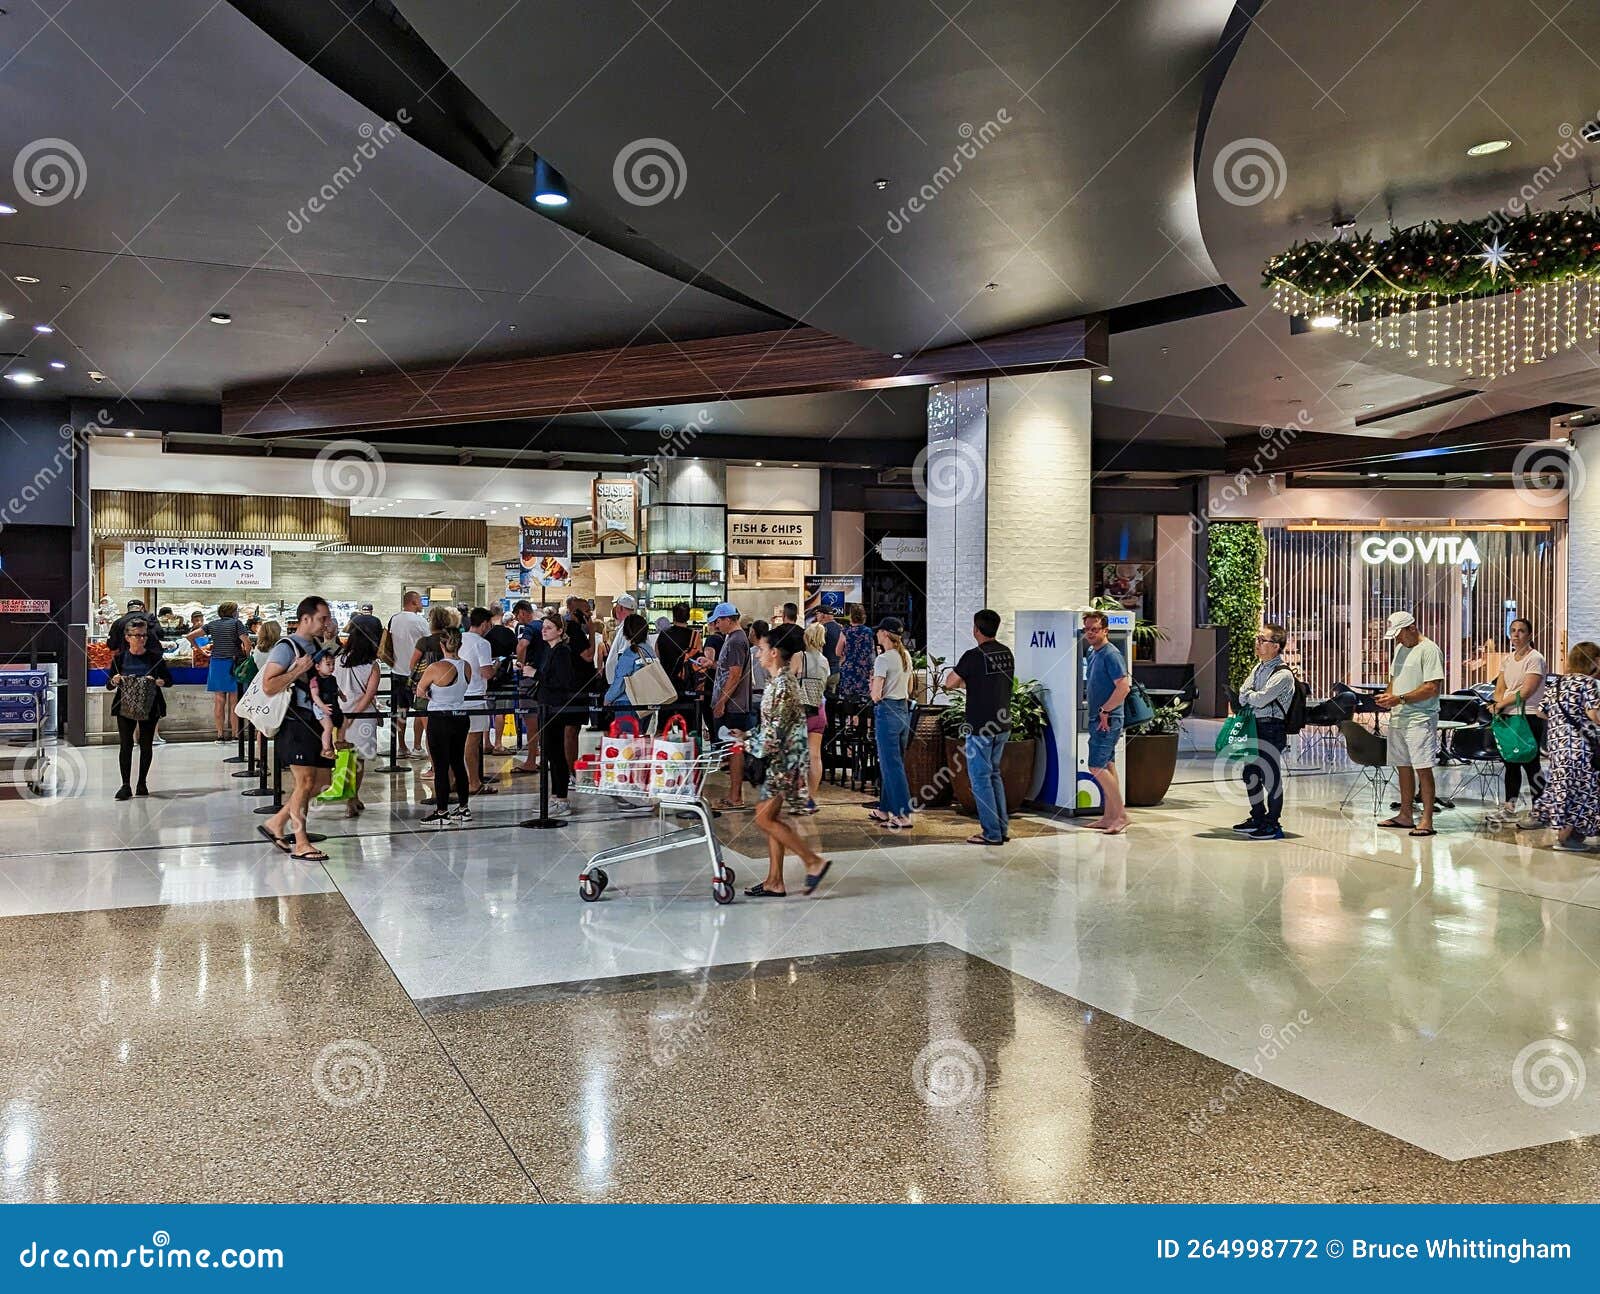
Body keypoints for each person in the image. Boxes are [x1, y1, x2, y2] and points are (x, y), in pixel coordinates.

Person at [744, 624, 831, 897]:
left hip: (783, 764)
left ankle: (813, 861)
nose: (758, 654)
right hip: (782, 761)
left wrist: (745, 741)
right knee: (771, 818)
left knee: (763, 818)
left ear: (774, 652)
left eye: (761, 649)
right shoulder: (778, 682)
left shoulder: (782, 685)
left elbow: (776, 733)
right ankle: (774, 880)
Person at [259, 596, 337, 862]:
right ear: (305, 619)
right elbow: (268, 686)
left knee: (323, 782)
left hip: (315, 722)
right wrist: (296, 671)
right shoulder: (286, 647)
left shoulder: (315, 644)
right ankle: (301, 841)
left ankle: (276, 823)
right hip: (295, 722)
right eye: (322, 618)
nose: (326, 623)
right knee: (304, 782)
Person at [943, 608, 1015, 845]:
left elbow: (950, 683)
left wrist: (968, 683)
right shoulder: (1007, 653)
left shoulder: (973, 655)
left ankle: (991, 833)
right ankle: (1001, 829)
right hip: (1002, 724)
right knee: (994, 775)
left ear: (976, 629)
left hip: (980, 726)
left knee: (980, 779)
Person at [1376, 610, 1446, 837]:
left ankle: (1426, 819)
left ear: (1412, 628)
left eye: (1399, 634)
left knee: (1422, 768)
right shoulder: (1399, 649)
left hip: (1420, 718)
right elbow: (1394, 680)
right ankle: (1405, 814)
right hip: (1399, 717)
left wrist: (1400, 698)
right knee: (1403, 766)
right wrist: (1388, 698)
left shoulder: (1429, 650)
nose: (1397, 639)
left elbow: (1432, 688)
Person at [1534, 641, 1600, 851]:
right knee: (1585, 790)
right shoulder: (1588, 683)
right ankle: (1566, 838)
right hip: (1580, 748)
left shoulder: (1558, 683)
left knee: (1564, 788)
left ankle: (1567, 834)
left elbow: (1540, 711)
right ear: (1595, 661)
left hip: (1557, 747)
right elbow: (1594, 716)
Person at [1235, 623, 1296, 841]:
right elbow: (1243, 692)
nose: (1257, 644)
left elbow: (1260, 699)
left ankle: (1273, 824)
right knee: (1250, 773)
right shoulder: (1259, 667)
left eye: (1263, 640)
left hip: (1271, 728)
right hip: (1255, 725)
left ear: (1277, 646)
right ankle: (1258, 817)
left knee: (1271, 777)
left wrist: (1251, 695)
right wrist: (1251, 695)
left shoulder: (1283, 674)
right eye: (1258, 639)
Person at [413, 626, 473, 825]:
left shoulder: (435, 668)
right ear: (460, 644)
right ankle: (464, 808)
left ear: (441, 645)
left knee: (440, 765)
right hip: (461, 717)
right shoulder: (466, 666)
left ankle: (441, 811)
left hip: (440, 718)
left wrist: (428, 692)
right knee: (458, 762)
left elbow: (420, 691)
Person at [107, 620, 171, 800]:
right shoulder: (119, 659)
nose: (141, 639)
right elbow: (109, 684)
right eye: (137, 635)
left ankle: (142, 782)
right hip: (124, 706)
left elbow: (169, 680)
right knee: (126, 744)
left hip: (150, 705)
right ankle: (125, 784)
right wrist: (115, 680)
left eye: (144, 635)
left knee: (146, 744)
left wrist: (159, 681)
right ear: (127, 637)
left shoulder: (155, 658)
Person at [1081, 609, 1131, 834]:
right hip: (1099, 717)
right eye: (1087, 629)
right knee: (1108, 765)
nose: (1090, 633)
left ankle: (1120, 815)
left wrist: (1105, 710)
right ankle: (1110, 815)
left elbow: (1123, 687)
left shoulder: (1111, 654)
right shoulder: (1093, 652)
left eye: (1095, 629)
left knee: (1096, 765)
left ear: (1105, 630)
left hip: (1107, 719)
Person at [1494, 617, 1547, 820]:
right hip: (1508, 716)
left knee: (1531, 764)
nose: (1516, 634)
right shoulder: (1507, 659)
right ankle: (1509, 807)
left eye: (1521, 631)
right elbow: (1500, 687)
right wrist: (1498, 704)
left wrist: (1501, 704)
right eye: (1513, 630)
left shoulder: (1535, 658)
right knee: (1511, 763)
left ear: (1530, 634)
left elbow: (1526, 692)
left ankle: (1540, 809)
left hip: (1528, 717)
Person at [869, 617, 915, 830]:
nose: (876, 634)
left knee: (891, 765)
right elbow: (911, 687)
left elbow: (876, 695)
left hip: (886, 712)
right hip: (903, 712)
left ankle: (903, 814)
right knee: (892, 762)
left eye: (879, 631)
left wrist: (872, 685)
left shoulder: (883, 659)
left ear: (885, 634)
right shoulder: (905, 656)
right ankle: (884, 808)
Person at [334, 618, 382, 817]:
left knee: (346, 758)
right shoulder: (372, 666)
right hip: (363, 717)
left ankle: (349, 797)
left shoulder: (338, 660)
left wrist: (345, 712)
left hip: (341, 714)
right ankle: (352, 799)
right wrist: (354, 715)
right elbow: (369, 695)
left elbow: (334, 688)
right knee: (359, 761)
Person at [534, 612, 581, 816]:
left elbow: (561, 682)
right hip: (546, 705)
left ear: (560, 631)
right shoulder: (548, 650)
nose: (544, 630)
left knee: (556, 754)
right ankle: (554, 796)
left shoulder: (562, 652)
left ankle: (561, 798)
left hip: (555, 707)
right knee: (549, 752)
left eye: (549, 628)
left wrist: (535, 674)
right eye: (543, 627)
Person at [708, 603, 753, 810]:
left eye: (719, 621)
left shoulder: (736, 641)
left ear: (729, 619)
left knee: (735, 749)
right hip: (732, 704)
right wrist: (712, 665)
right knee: (731, 748)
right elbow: (729, 669)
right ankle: (733, 795)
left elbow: (735, 674)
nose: (717, 625)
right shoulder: (733, 639)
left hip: (733, 706)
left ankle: (735, 797)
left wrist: (721, 702)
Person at [189, 600, 251, 742]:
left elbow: (190, 636)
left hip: (216, 663)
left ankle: (220, 735)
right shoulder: (237, 624)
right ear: (234, 612)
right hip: (233, 662)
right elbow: (246, 642)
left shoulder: (212, 624)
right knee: (234, 701)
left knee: (219, 700)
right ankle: (236, 734)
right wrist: (247, 657)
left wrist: (201, 651)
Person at [407, 604, 457, 767]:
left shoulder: (425, 642)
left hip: (426, 688)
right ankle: (448, 765)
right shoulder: (450, 639)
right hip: (449, 688)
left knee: (431, 731)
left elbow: (412, 664)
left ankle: (435, 766)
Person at [385, 592, 430, 757]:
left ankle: (401, 746)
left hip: (397, 671)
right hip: (417, 673)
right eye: (419, 601)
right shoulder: (420, 621)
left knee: (400, 710)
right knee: (420, 710)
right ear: (412, 602)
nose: (422, 604)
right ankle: (417, 746)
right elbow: (429, 642)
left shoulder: (394, 619)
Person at [459, 608, 498, 796]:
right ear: (484, 624)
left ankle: (455, 779)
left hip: (457, 696)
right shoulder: (482, 643)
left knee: (457, 741)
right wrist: (497, 665)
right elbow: (486, 672)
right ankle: (473, 782)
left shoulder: (460, 638)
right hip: (475, 697)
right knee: (472, 743)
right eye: (489, 624)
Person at [798, 621, 831, 814]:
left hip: (801, 711)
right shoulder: (825, 660)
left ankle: (799, 798)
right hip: (819, 710)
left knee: (798, 756)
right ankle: (810, 798)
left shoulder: (799, 657)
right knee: (815, 756)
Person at [604, 612, 654, 718]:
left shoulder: (629, 654)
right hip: (648, 701)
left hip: (627, 703)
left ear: (625, 633)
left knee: (627, 734)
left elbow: (620, 681)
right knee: (641, 734)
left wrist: (608, 698)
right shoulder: (650, 651)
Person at [310, 651, 343, 759]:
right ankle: (326, 749)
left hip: (331, 705)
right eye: (328, 664)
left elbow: (335, 689)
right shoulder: (315, 680)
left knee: (344, 721)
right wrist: (322, 707)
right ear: (318, 666)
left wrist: (341, 695)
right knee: (328, 726)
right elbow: (315, 696)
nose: (331, 667)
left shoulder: (332, 678)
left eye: (333, 664)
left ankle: (340, 741)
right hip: (320, 707)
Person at [838, 604, 875, 700]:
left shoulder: (845, 631)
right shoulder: (868, 632)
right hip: (865, 669)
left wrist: (845, 656)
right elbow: (871, 652)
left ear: (851, 616)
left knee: (848, 700)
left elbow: (838, 651)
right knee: (863, 700)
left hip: (849, 669)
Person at [602, 592, 640, 685]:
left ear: (620, 608)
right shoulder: (633, 626)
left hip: (622, 684)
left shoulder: (626, 629)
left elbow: (624, 660)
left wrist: (616, 690)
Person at [815, 604, 844, 680]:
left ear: (823, 615)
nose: (816, 617)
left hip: (824, 671)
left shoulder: (821, 630)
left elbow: (818, 650)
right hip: (838, 670)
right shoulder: (841, 628)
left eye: (817, 614)